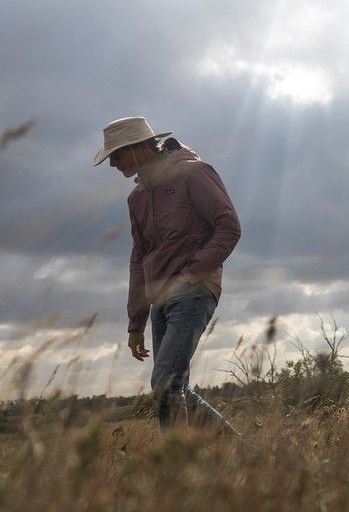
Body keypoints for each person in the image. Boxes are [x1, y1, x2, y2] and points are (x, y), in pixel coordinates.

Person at [93, 116, 241, 433]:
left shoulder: (194, 174)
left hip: (194, 291)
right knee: (174, 387)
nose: (112, 164)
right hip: (159, 301)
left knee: (164, 382)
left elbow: (229, 228)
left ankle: (174, 471)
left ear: (139, 148)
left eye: (116, 155)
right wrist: (136, 322)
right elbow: (139, 257)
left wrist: (189, 275)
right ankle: (244, 455)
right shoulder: (136, 199)